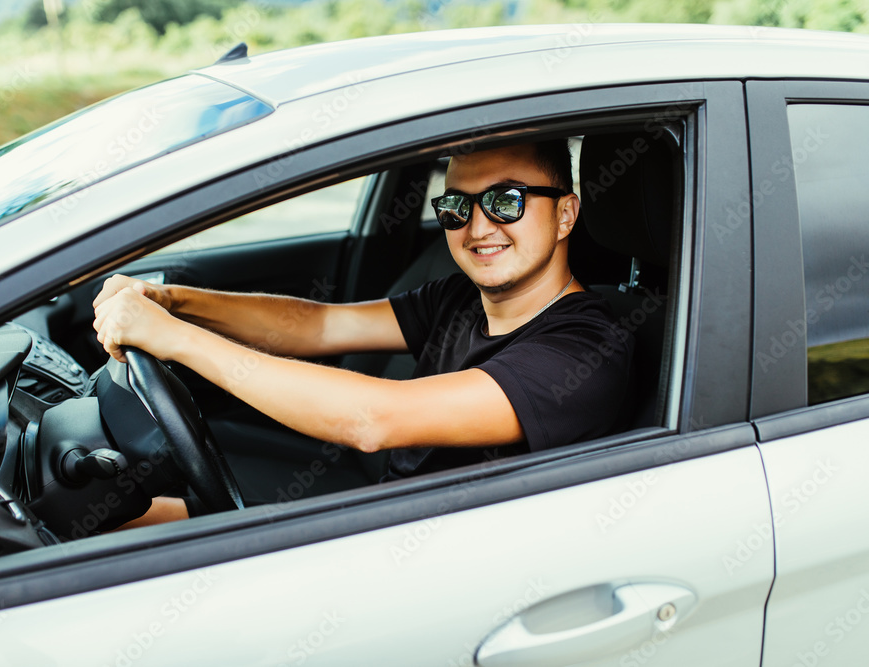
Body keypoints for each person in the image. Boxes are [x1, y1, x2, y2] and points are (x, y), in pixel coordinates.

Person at [93, 139, 633, 522]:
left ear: (565, 215)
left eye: (506, 200)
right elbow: (320, 326)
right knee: (125, 520)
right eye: (455, 207)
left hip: (432, 566)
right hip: (383, 513)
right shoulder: (459, 298)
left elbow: (373, 421)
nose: (478, 226)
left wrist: (178, 339)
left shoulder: (585, 349)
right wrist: (173, 301)